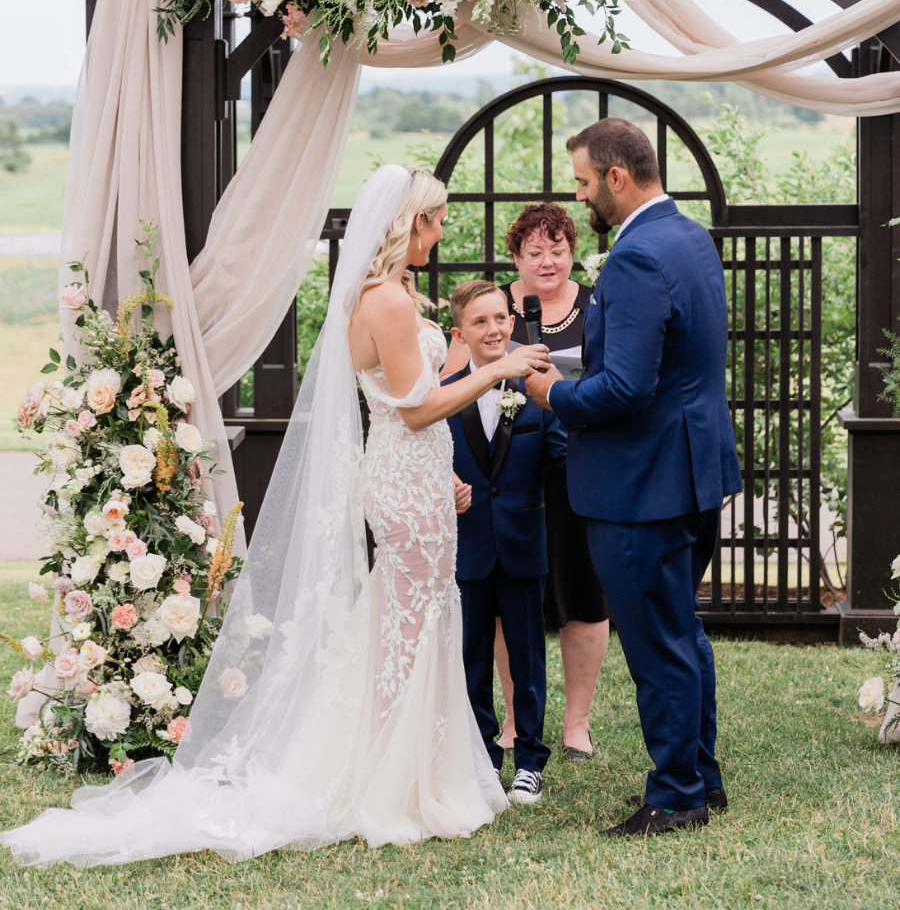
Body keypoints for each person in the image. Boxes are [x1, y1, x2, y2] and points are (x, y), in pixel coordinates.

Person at [1, 165, 550, 866]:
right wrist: (496, 370)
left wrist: (441, 468)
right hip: (405, 482)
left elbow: (397, 404)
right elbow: (414, 411)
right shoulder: (386, 298)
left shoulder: (390, 292)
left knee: (413, 619)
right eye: (435, 220)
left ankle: (410, 767)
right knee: (412, 626)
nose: (440, 233)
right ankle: (393, 784)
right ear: (409, 223)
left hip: (415, 475)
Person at [526, 120, 742, 838]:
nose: (580, 195)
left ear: (617, 177)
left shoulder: (636, 257)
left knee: (656, 640)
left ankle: (676, 796)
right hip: (690, 470)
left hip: (641, 484)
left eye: (584, 181)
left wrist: (552, 392)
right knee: (679, 628)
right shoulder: (690, 237)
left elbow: (624, 387)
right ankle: (701, 777)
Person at [444, 203, 609, 761]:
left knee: (584, 595)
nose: (547, 261)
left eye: (558, 251)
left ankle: (576, 724)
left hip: (576, 472)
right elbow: (449, 393)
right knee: (505, 603)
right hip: (506, 482)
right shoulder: (491, 309)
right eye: (535, 251)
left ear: (572, 253)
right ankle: (515, 722)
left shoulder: (597, 305)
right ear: (516, 256)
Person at [443, 279, 567, 806]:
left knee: (527, 658)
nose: (492, 329)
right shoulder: (445, 394)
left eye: (499, 318)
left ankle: (530, 760)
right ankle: (482, 758)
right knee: (470, 658)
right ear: (460, 334)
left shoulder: (537, 390)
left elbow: (563, 455)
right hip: (468, 545)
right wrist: (444, 486)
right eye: (479, 322)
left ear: (513, 323)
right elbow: (427, 458)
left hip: (523, 543)